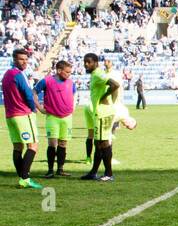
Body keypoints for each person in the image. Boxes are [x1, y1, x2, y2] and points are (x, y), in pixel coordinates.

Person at [2, 47, 41, 189]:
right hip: (22, 114)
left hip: (10, 115)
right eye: (21, 59)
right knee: (33, 145)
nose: (24, 62)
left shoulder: (6, 74)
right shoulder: (19, 74)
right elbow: (27, 93)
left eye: (26, 59)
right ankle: (25, 178)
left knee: (18, 147)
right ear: (14, 59)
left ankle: (22, 177)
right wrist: (33, 108)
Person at [80, 52, 119, 182]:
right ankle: (93, 172)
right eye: (85, 62)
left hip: (104, 113)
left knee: (103, 143)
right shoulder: (95, 74)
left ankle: (109, 173)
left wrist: (104, 96)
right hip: (99, 112)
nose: (86, 64)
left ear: (96, 63)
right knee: (98, 143)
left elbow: (115, 84)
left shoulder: (98, 73)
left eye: (89, 62)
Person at [34, 60, 76, 177]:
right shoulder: (46, 81)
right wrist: (40, 108)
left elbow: (73, 94)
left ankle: (60, 169)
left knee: (63, 144)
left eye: (70, 72)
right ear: (59, 70)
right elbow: (34, 92)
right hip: (52, 117)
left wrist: (72, 107)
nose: (69, 74)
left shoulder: (71, 83)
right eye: (67, 72)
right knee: (52, 143)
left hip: (67, 117)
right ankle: (50, 170)